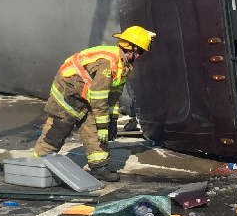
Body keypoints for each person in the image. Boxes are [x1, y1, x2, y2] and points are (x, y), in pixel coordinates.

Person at [32, 26, 155, 182]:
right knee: (58, 129)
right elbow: (99, 96)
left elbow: (113, 95)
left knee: (93, 128)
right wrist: (103, 126)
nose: (140, 57)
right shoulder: (108, 62)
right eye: (140, 52)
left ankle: (99, 167)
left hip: (86, 92)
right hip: (68, 91)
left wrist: (112, 120)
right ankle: (36, 165)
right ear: (131, 50)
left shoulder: (123, 66)